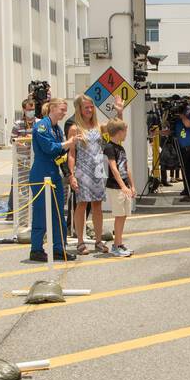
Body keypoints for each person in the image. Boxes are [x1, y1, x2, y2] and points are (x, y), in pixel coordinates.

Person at [25, 96, 78, 263]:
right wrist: (68, 143)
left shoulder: (57, 129)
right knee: (41, 212)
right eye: (62, 109)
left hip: (54, 173)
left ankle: (58, 248)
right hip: (41, 174)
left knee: (57, 213)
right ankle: (36, 249)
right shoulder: (42, 126)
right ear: (53, 108)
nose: (64, 113)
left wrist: (69, 174)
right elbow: (49, 148)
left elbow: (60, 154)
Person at [68, 93, 109, 255]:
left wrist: (119, 112)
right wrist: (71, 175)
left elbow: (117, 127)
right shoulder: (74, 129)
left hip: (98, 169)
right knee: (82, 204)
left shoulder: (99, 126)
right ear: (79, 109)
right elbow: (71, 154)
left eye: (91, 107)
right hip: (82, 170)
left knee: (98, 204)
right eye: (86, 107)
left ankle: (98, 241)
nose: (90, 110)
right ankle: (80, 242)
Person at [102, 118, 135, 257]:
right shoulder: (109, 147)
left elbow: (126, 168)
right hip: (116, 187)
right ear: (119, 132)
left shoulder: (121, 148)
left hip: (124, 186)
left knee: (124, 215)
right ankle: (116, 246)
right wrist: (122, 186)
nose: (126, 134)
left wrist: (132, 185)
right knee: (119, 215)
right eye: (125, 131)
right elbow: (114, 168)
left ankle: (119, 243)